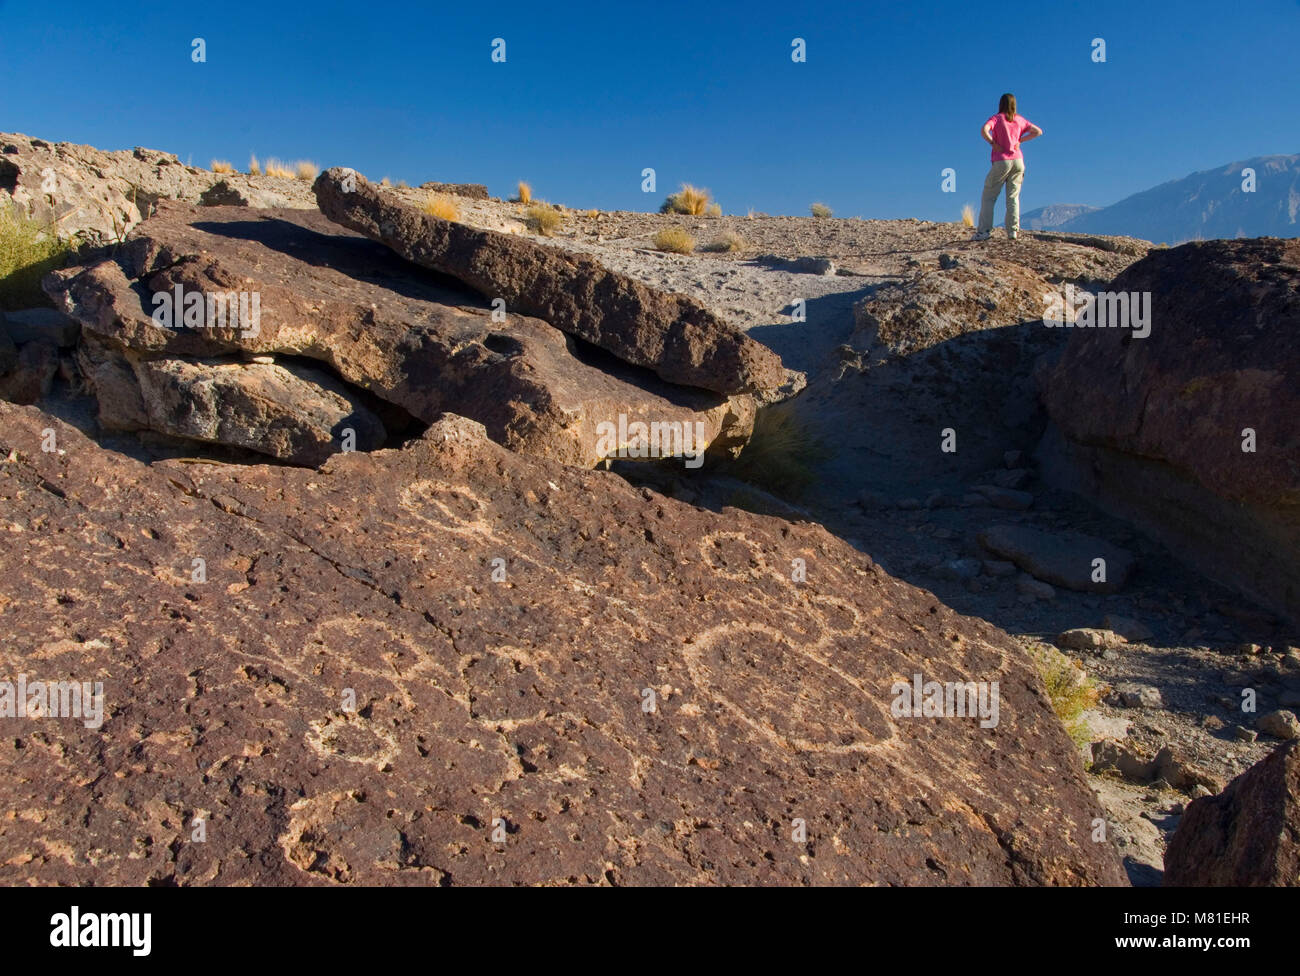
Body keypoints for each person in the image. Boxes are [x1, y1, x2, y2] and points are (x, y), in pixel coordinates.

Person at [974, 93, 1041, 240]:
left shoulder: (997, 119)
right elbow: (1038, 131)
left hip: (1001, 161)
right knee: (1013, 197)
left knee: (989, 196)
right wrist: (1020, 141)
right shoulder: (1019, 119)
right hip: (1018, 160)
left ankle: (984, 231)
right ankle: (1013, 232)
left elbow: (984, 130)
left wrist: (992, 143)